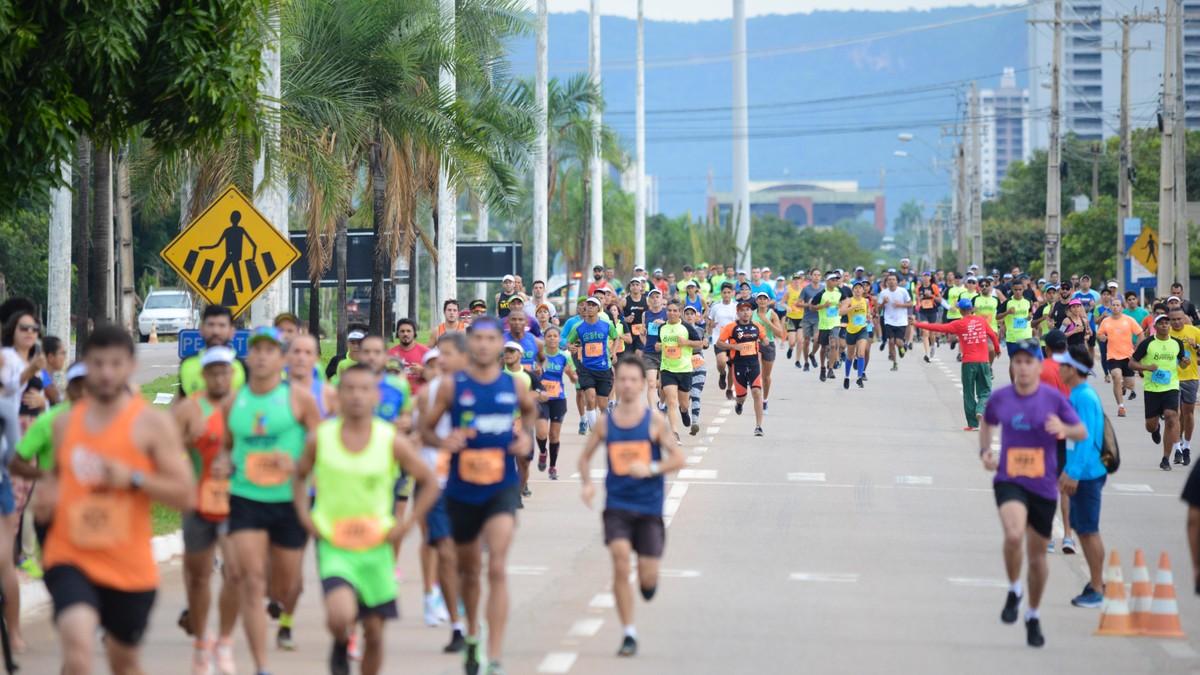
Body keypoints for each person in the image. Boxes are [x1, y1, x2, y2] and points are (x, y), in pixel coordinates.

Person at [38, 325, 196, 673]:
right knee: (78, 654)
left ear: (131, 365)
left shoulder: (151, 425)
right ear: (87, 366)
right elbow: (53, 477)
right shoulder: (64, 424)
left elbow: (186, 494)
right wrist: (47, 495)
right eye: (98, 363)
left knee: (124, 664)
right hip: (71, 556)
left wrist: (135, 479)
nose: (107, 373)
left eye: (115, 363)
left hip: (128, 565)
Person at [294, 364, 438, 675]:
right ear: (338, 395)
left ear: (375, 395)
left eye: (364, 389)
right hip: (335, 544)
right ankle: (339, 641)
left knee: (374, 634)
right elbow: (298, 476)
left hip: (376, 548)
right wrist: (306, 518)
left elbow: (429, 480)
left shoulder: (390, 440)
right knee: (339, 615)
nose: (357, 395)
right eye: (350, 389)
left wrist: (408, 523)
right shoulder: (321, 438)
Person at [419, 316, 537, 675]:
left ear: (500, 345)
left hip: (501, 487)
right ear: (471, 345)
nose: (485, 345)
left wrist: (526, 437)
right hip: (461, 488)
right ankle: (472, 634)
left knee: (497, 565)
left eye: (491, 338)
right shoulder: (453, 387)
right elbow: (425, 428)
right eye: (478, 339)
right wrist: (442, 441)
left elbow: (530, 412)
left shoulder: (514, 386)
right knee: (470, 571)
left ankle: (495, 655)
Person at [215, 327, 322, 671]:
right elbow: (227, 447)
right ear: (248, 357)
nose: (262, 356)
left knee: (284, 585)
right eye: (256, 350)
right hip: (246, 499)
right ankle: (261, 666)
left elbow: (322, 445)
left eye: (270, 350)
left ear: (282, 358)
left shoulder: (300, 399)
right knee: (251, 580)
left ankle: (277, 602)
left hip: (290, 501)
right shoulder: (234, 401)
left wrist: (299, 463)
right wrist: (222, 462)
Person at [980, 337, 1087, 648]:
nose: (1024, 367)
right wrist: (986, 451)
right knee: (1014, 535)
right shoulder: (1001, 397)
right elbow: (987, 423)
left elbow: (1081, 431)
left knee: (1038, 556)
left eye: (1029, 362)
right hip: (1009, 478)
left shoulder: (1054, 399)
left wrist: (1065, 430)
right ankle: (1014, 589)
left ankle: (1033, 614)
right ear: (1012, 366)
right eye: (1018, 362)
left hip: (1043, 483)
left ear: (1040, 366)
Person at [578, 357, 686, 657]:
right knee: (621, 561)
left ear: (642, 384)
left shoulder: (653, 421)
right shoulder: (605, 423)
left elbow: (678, 459)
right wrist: (588, 484)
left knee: (647, 579)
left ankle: (649, 581)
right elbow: (584, 459)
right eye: (621, 379)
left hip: (649, 507)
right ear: (615, 382)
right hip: (617, 506)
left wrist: (651, 468)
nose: (626, 385)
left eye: (632, 380)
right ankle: (628, 632)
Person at [172, 346, 242, 675]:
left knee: (236, 572)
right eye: (211, 372)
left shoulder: (243, 405)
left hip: (235, 502)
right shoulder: (189, 408)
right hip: (198, 501)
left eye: (223, 371)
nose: (218, 377)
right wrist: (188, 441)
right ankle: (202, 642)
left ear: (232, 374)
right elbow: (167, 453)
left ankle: (225, 643)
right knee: (199, 577)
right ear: (203, 375)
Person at [415, 335, 468, 651]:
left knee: (462, 546)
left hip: (464, 479)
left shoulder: (473, 388)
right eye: (434, 362)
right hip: (433, 478)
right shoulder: (425, 396)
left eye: (445, 358)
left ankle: (456, 593)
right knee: (435, 542)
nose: (440, 366)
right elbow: (419, 434)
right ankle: (430, 595)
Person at [1053, 345, 1108, 609]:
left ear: (1072, 369)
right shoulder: (1078, 393)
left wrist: (1073, 473)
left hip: (1086, 473)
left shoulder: (1083, 396)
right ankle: (1096, 583)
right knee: (1083, 529)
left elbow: (1084, 438)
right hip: (1080, 470)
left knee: (1088, 531)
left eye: (1062, 365)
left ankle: (1097, 588)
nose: (1058, 369)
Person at [912, 300, 999, 431]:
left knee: (968, 393)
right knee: (985, 390)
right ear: (972, 309)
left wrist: (917, 324)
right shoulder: (981, 321)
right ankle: (980, 409)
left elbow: (938, 328)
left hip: (968, 363)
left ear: (961, 310)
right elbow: (992, 335)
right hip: (983, 361)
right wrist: (997, 349)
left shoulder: (958, 324)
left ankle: (972, 424)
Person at [1131, 314, 1190, 471]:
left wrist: (1185, 363)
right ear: (1155, 327)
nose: (1165, 325)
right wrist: (1146, 367)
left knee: (1172, 417)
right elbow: (1132, 364)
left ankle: (1166, 458)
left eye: (1167, 323)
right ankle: (1155, 428)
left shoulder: (1176, 343)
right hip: (1152, 388)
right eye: (1161, 323)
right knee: (1150, 425)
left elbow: (1182, 364)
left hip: (1171, 386)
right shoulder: (1147, 343)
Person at [716, 301, 769, 436]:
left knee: (756, 392)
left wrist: (765, 341)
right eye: (742, 310)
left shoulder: (757, 326)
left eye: (748, 310)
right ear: (738, 313)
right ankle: (739, 404)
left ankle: (759, 427)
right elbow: (719, 343)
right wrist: (733, 347)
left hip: (754, 364)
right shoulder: (731, 327)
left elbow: (765, 339)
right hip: (738, 364)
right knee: (742, 396)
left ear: (751, 312)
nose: (745, 312)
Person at [567, 298, 620, 431]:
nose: (590, 307)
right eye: (588, 305)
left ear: (599, 308)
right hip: (586, 367)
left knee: (603, 405)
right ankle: (595, 430)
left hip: (603, 367)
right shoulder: (578, 327)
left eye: (593, 305)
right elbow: (568, 341)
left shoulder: (607, 324)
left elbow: (616, 337)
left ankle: (606, 428)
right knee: (590, 398)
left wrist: (614, 352)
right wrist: (571, 347)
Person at [657, 300, 706, 440]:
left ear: (679, 313)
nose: (671, 313)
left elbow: (700, 344)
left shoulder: (686, 328)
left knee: (684, 403)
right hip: (667, 369)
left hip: (684, 369)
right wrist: (657, 346)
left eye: (674, 311)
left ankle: (684, 411)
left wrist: (687, 343)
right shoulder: (662, 328)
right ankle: (674, 433)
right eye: (669, 310)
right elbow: (657, 343)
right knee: (671, 400)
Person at [180, 305, 247, 397]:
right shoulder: (187, 364)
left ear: (232, 331)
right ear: (202, 329)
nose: (216, 331)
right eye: (211, 325)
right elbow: (181, 400)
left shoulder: (241, 366)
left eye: (222, 325)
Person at [537, 326, 576, 480]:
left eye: (555, 336)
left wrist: (570, 374)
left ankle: (552, 467)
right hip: (541, 399)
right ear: (545, 339)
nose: (552, 338)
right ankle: (542, 452)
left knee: (553, 436)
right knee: (541, 432)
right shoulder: (539, 356)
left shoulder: (565, 356)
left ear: (559, 339)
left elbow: (575, 379)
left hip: (558, 399)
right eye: (549, 336)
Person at [1096, 298, 1141, 418]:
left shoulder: (1129, 320)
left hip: (1128, 356)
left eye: (1118, 305)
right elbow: (1099, 333)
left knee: (1130, 385)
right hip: (1112, 356)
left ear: (1122, 308)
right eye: (1113, 305)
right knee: (1116, 376)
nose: (1115, 307)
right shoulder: (1106, 321)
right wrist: (1101, 337)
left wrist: (1138, 350)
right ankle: (1121, 407)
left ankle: (1123, 386)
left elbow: (1140, 333)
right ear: (1111, 307)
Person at [1170, 308, 1200, 466]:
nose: (1176, 322)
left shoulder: (1194, 331)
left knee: (1188, 414)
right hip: (1171, 379)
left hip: (1190, 377)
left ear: (1185, 318)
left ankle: (1186, 446)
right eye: (1173, 319)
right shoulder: (1165, 333)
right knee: (1175, 414)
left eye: (1179, 319)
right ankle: (1177, 449)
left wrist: (1195, 346)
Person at [752, 291, 786, 408]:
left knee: (766, 377)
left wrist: (766, 321)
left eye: (764, 298)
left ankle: (765, 399)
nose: (762, 300)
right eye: (759, 298)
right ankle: (756, 390)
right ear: (756, 301)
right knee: (756, 367)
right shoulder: (752, 314)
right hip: (756, 343)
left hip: (769, 344)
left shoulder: (772, 314)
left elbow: (780, 334)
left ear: (767, 301)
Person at [705, 283, 739, 399]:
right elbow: (708, 319)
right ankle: (722, 373)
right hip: (719, 339)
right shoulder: (715, 305)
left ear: (733, 293)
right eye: (724, 292)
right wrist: (710, 324)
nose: (726, 295)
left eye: (729, 292)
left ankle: (729, 390)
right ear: (721, 293)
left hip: (733, 340)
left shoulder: (736, 306)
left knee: (732, 367)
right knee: (721, 362)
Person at [839, 281, 873, 389]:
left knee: (861, 353)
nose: (858, 290)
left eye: (860, 288)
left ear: (863, 290)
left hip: (862, 329)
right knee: (850, 356)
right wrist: (852, 307)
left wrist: (869, 316)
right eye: (856, 288)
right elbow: (841, 312)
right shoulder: (849, 300)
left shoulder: (866, 301)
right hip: (851, 331)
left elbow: (868, 313)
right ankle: (847, 377)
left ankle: (859, 377)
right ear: (853, 290)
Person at [878, 273, 913, 372]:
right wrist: (884, 303)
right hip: (889, 321)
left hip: (901, 321)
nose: (891, 281)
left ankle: (902, 349)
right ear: (886, 282)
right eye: (889, 279)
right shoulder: (884, 293)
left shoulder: (903, 291)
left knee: (899, 342)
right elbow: (878, 309)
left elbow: (911, 304)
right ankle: (895, 363)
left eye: (893, 279)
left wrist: (900, 305)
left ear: (897, 282)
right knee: (891, 342)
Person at [798, 269, 824, 371]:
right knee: (807, 341)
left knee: (817, 339)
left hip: (818, 318)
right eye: (814, 275)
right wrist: (808, 304)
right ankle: (806, 363)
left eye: (818, 275)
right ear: (811, 276)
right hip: (807, 319)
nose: (816, 277)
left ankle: (812, 354)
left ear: (820, 277)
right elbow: (798, 303)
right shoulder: (806, 289)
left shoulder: (823, 289)